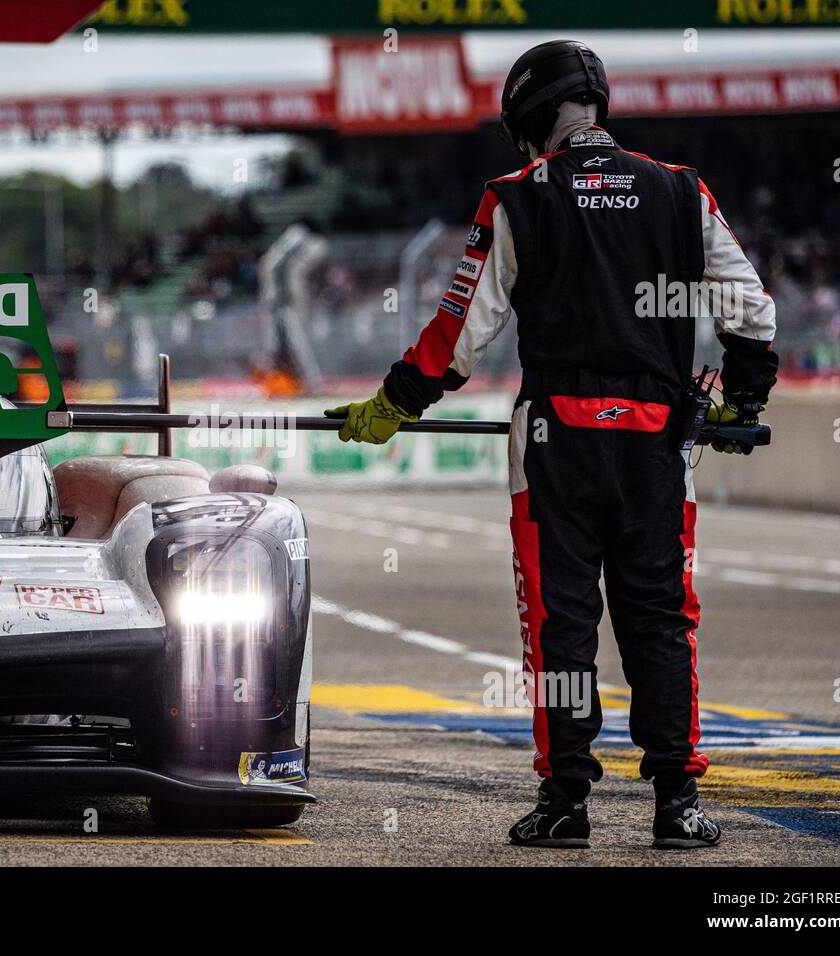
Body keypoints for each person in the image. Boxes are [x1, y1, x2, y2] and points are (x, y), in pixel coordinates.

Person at [326, 39, 777, 849]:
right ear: (595, 106)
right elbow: (751, 312)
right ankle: (678, 804)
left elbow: (462, 331)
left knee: (560, 625)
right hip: (657, 449)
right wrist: (744, 399)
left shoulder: (517, 197)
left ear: (532, 119)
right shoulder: (681, 191)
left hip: (554, 444)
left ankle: (566, 801)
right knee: (663, 621)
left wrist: (396, 402)